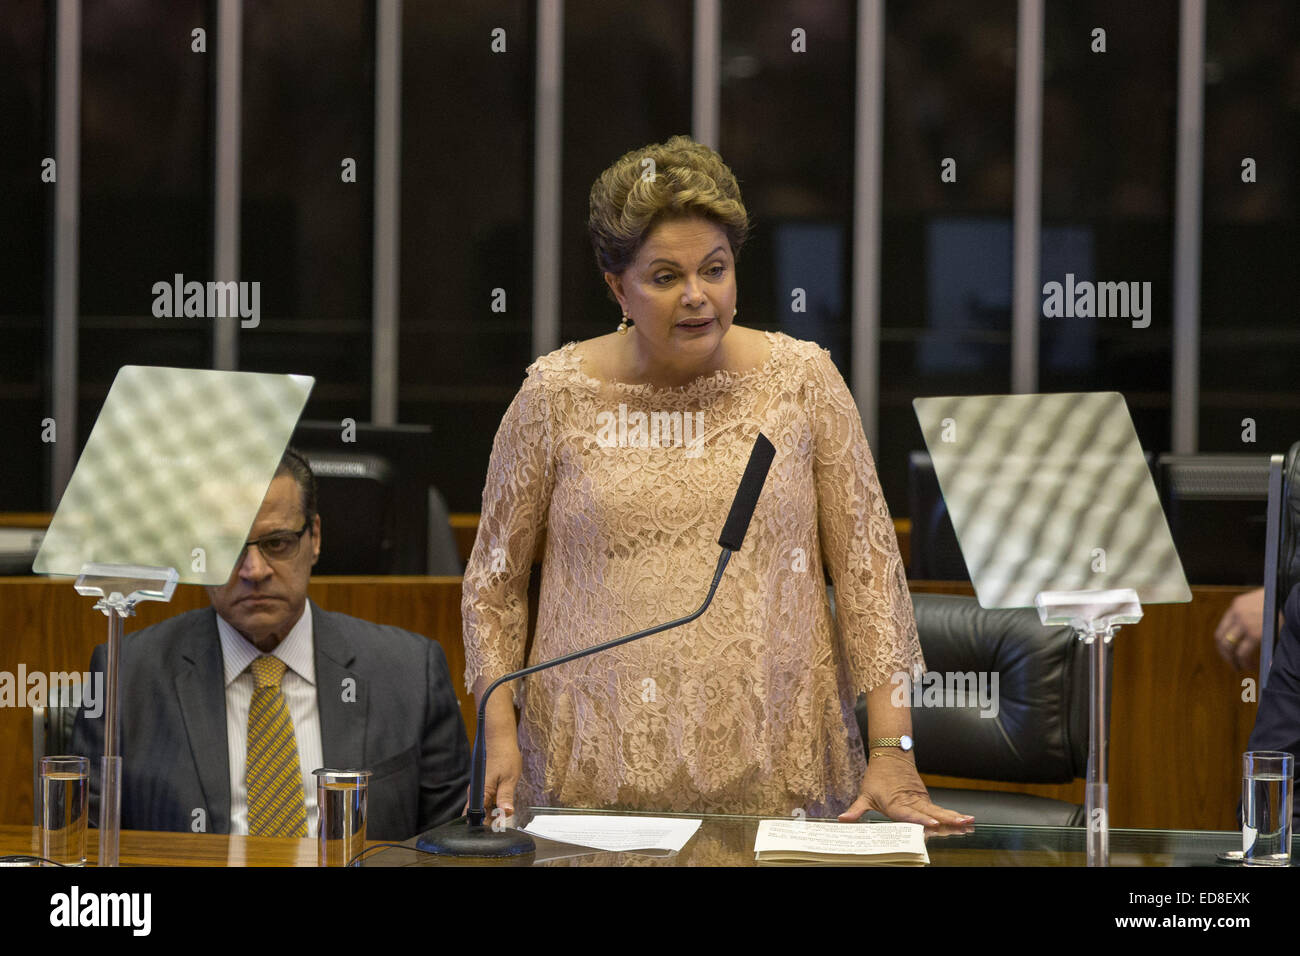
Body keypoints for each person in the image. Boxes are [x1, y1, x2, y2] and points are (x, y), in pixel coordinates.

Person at [462, 135, 972, 827]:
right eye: (666, 277)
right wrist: (497, 732)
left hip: (777, 774)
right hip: (591, 779)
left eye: (715, 269)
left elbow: (869, 577)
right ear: (617, 287)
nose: (697, 296)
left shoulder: (801, 381)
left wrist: (894, 748)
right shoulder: (554, 395)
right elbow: (493, 584)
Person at [73, 448, 471, 840]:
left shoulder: (410, 672)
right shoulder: (127, 675)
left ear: (314, 538)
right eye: (228, 548)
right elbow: (87, 841)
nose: (255, 571)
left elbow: (453, 843)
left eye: (277, 543)